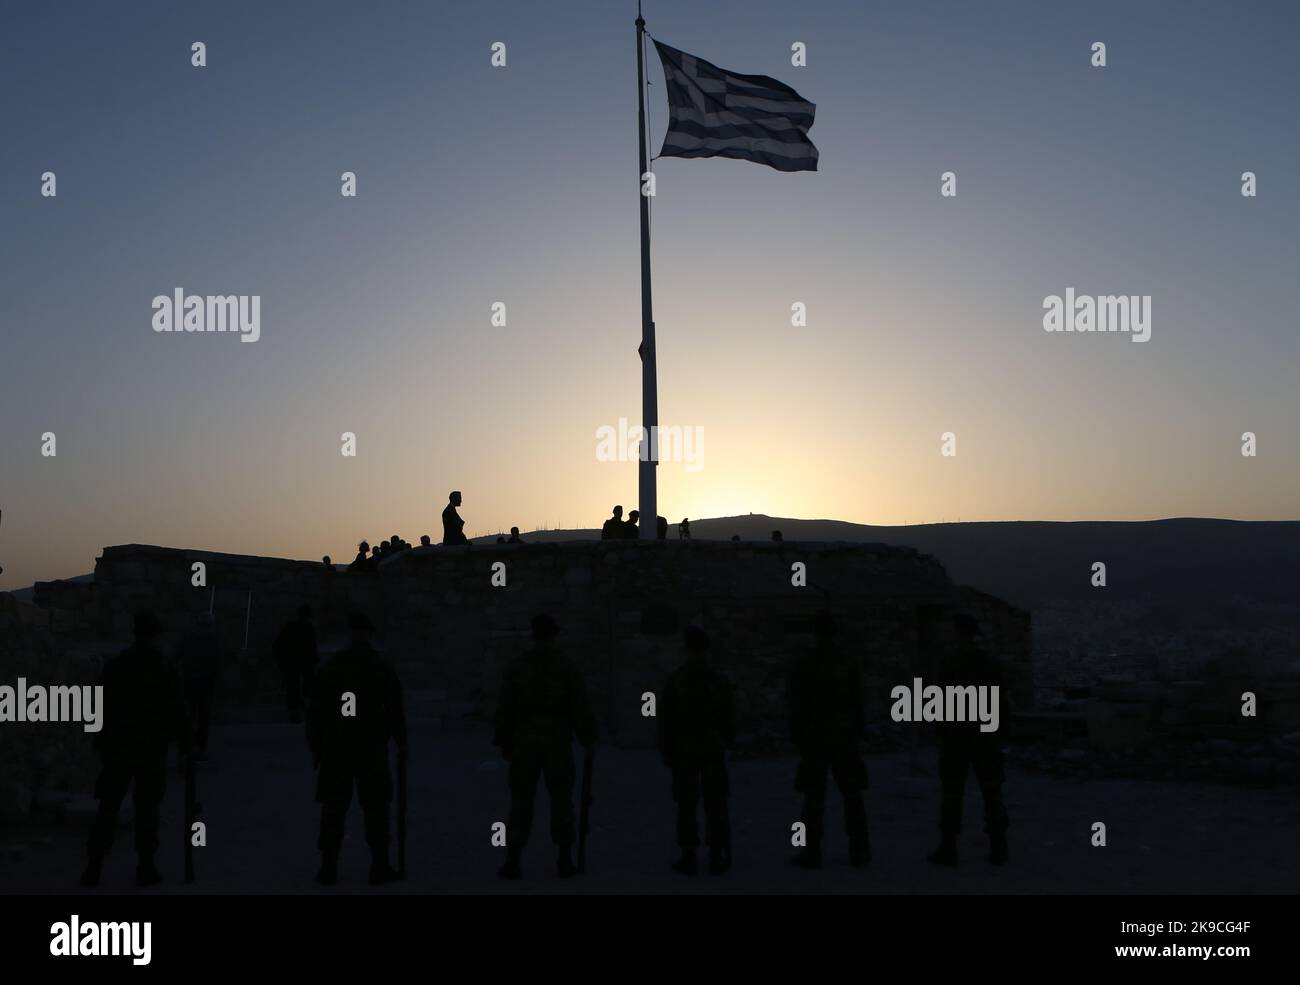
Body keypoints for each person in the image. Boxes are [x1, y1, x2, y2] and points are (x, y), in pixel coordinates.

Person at [80, 610, 188, 888]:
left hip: (118, 745)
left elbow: (98, 706)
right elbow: (176, 711)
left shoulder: (117, 665)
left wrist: (99, 741)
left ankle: (94, 864)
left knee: (109, 805)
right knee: (147, 808)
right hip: (150, 747)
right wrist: (185, 745)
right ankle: (145, 865)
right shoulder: (163, 667)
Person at [307, 612, 407, 886]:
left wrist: (316, 744)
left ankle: (329, 868)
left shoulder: (333, 666)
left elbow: (316, 710)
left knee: (334, 808)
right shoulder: (380, 667)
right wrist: (401, 740)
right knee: (375, 808)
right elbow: (395, 710)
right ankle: (378, 866)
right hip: (369, 748)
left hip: (337, 748)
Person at [493, 614, 595, 879]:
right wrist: (587, 737)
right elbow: (580, 706)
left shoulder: (518, 667)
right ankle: (564, 858)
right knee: (562, 800)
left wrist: (504, 741)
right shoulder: (566, 667)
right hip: (556, 742)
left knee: (521, 800)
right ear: (554, 636)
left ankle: (513, 858)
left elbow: (505, 707)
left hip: (525, 742)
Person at [788, 610, 869, 869]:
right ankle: (859, 850)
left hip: (816, 737)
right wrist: (856, 731)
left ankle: (811, 851)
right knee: (852, 795)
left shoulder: (806, 664)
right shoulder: (846, 663)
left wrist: (799, 736)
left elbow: (798, 704)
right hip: (843, 736)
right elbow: (857, 703)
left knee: (813, 797)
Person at [928, 614, 1009, 867]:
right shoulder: (989, 663)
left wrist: (939, 730)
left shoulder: (949, 663)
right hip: (985, 736)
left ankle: (949, 847)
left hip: (956, 737)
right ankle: (998, 847)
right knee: (992, 792)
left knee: (952, 793)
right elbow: (1001, 702)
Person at [658, 626, 735, 875]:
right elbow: (729, 716)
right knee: (716, 802)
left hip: (685, 748)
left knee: (686, 802)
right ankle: (716, 854)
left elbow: (666, 720)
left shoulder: (677, 680)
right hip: (711, 747)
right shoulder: (717, 680)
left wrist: (667, 749)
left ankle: (689, 854)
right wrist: (727, 740)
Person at [176, 612, 221, 762]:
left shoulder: (188, 639)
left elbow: (174, 657)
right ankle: (197, 749)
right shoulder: (213, 641)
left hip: (191, 683)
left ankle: (186, 750)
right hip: (203, 685)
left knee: (191, 718)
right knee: (201, 719)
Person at [273, 605, 318, 724]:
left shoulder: (293, 627)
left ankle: (296, 712)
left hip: (294, 664)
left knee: (294, 689)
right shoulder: (308, 628)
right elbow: (312, 649)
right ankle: (297, 711)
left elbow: (279, 645)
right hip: (300, 664)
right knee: (298, 689)